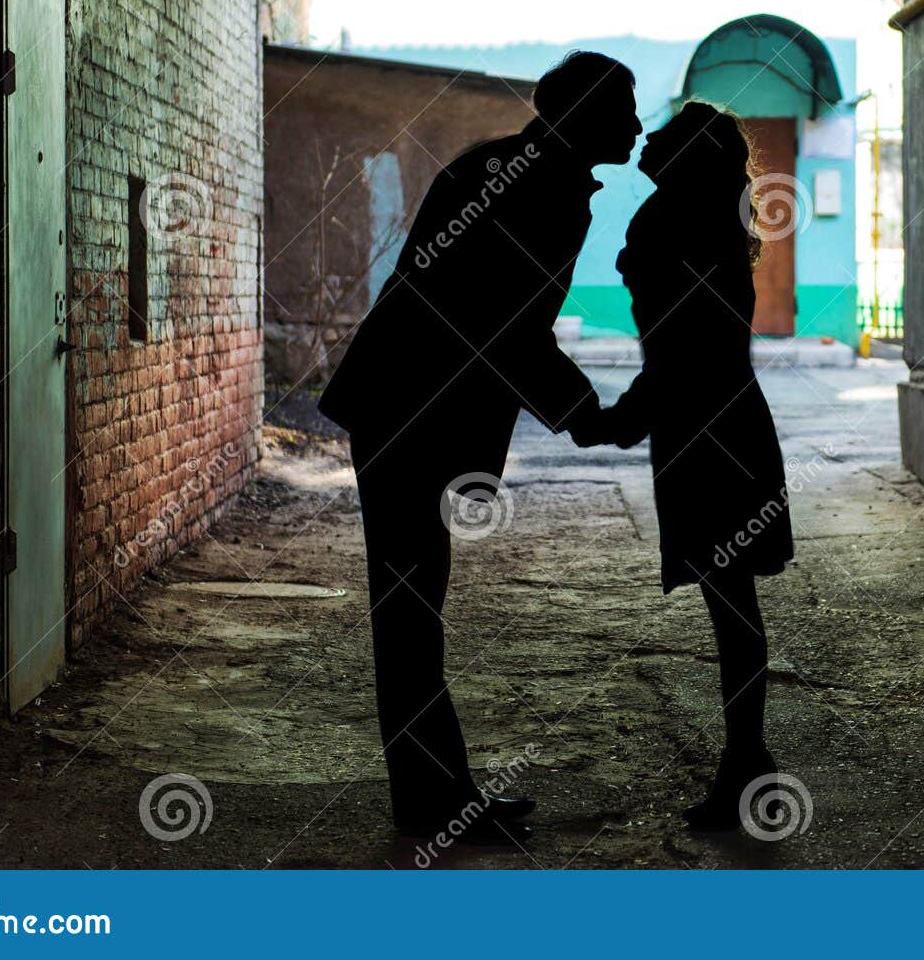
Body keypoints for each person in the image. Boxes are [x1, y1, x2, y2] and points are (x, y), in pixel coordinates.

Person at [318, 51, 640, 841]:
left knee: (412, 609)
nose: (636, 125)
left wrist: (581, 410)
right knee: (409, 609)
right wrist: (586, 414)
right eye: (623, 110)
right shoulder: (533, 186)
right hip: (411, 409)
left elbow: (502, 325)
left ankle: (436, 797)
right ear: (584, 116)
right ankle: (436, 805)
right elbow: (504, 325)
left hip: (408, 404)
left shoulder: (520, 171)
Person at [579, 101, 794, 830]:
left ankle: (747, 763)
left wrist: (620, 419)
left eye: (668, 132)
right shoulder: (697, 220)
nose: (649, 134)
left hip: (707, 430)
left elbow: (684, 348)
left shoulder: (682, 224)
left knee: (730, 601)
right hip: (718, 422)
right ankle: (748, 760)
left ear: (689, 155)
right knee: (732, 600)